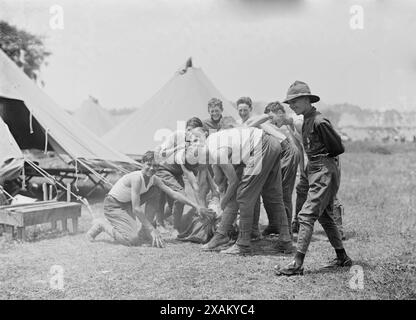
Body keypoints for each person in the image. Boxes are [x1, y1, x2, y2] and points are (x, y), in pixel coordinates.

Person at [275, 81, 352, 276]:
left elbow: (338, 148)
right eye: (289, 103)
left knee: (306, 215)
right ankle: (342, 257)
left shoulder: (318, 121)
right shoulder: (306, 119)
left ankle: (297, 263)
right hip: (315, 168)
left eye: (295, 101)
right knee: (325, 216)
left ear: (307, 99)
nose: (291, 106)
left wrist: (323, 163)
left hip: (324, 169)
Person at [187, 125, 292, 255]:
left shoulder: (217, 152)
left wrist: (222, 204)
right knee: (273, 195)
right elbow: (220, 181)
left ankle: (242, 244)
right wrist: (222, 197)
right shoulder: (212, 144)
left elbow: (234, 182)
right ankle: (285, 241)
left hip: (261, 145)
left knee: (244, 195)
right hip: (271, 143)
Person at [86, 151, 209, 247]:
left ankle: (144, 232)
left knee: (156, 190)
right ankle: (102, 224)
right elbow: (136, 209)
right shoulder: (136, 178)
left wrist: (196, 206)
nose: (151, 168)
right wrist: (152, 229)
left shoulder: (154, 179)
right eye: (148, 165)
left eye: (155, 166)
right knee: (131, 239)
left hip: (127, 204)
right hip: (114, 205)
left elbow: (174, 193)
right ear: (142, 163)